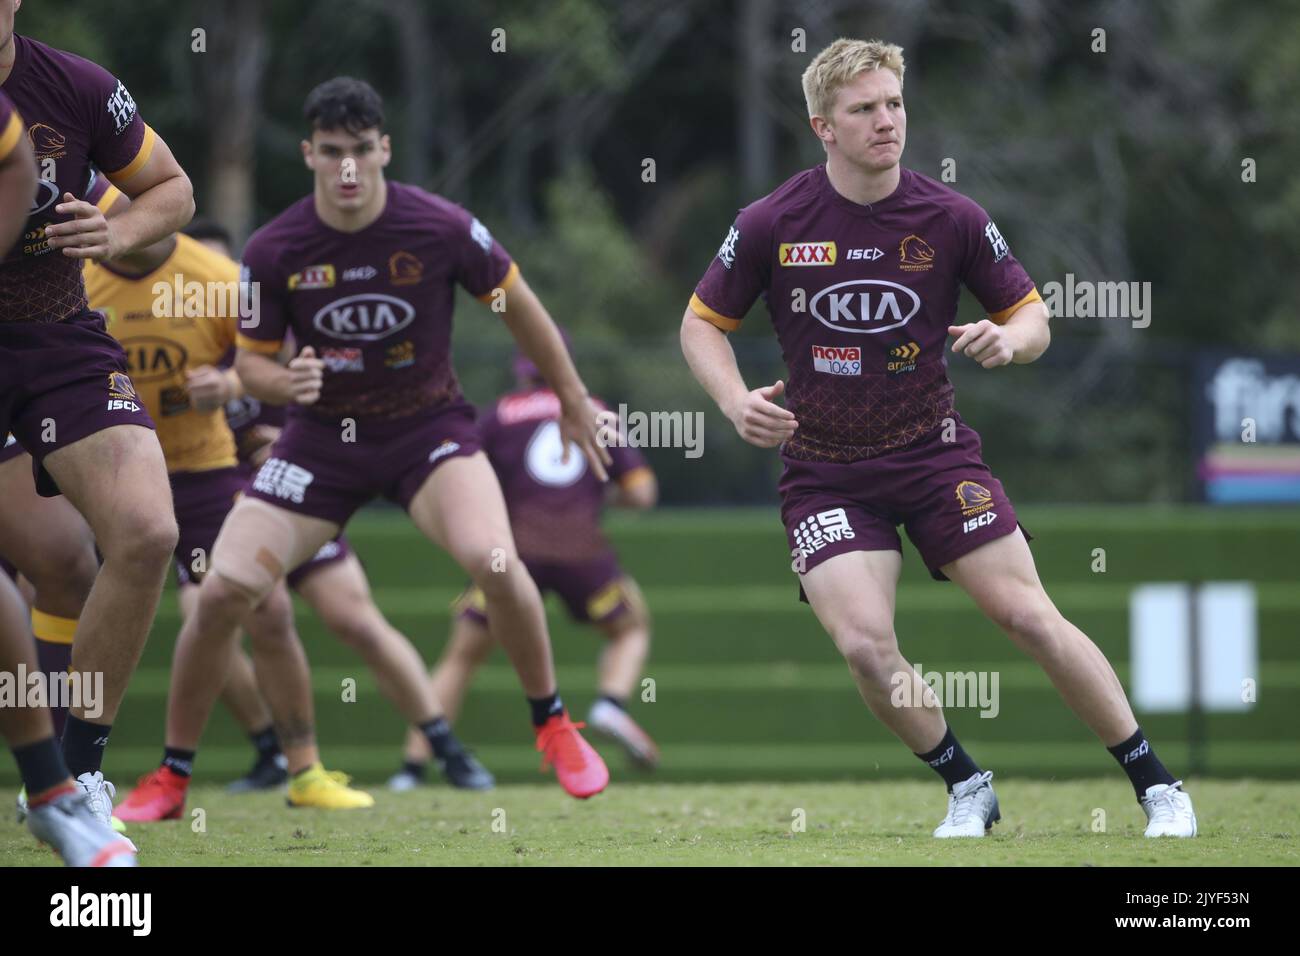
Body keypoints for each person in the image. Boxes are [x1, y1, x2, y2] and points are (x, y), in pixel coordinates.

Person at [679, 37, 1196, 838]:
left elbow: (1031, 315)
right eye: (863, 109)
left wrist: (1011, 341)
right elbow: (700, 323)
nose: (886, 122)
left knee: (1029, 617)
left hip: (934, 455)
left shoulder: (952, 216)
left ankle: (1157, 785)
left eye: (894, 104)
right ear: (824, 125)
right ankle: (967, 784)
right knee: (862, 644)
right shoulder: (771, 222)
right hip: (825, 474)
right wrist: (730, 399)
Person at [135, 76, 611, 803]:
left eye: (362, 150)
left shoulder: (442, 227)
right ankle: (172, 772)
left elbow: (521, 308)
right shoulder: (275, 247)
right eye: (332, 152)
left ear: (385, 148)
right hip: (320, 445)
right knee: (221, 593)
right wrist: (279, 382)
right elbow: (252, 365)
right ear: (309, 155)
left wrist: (573, 399)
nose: (349, 169)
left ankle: (552, 725)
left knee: (496, 560)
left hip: (428, 434)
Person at [0, 1, 194, 831]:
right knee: (56, 560)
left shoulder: (78, 86)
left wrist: (116, 235)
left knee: (147, 533)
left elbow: (171, 189)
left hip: (55, 335)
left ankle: (75, 781)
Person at [390, 350, 659, 790]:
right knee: (631, 627)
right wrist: (593, 499)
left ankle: (413, 768)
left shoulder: (498, 415)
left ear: (521, 372)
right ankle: (611, 702)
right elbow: (643, 492)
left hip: (512, 554)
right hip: (582, 552)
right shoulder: (597, 412)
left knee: (461, 657)